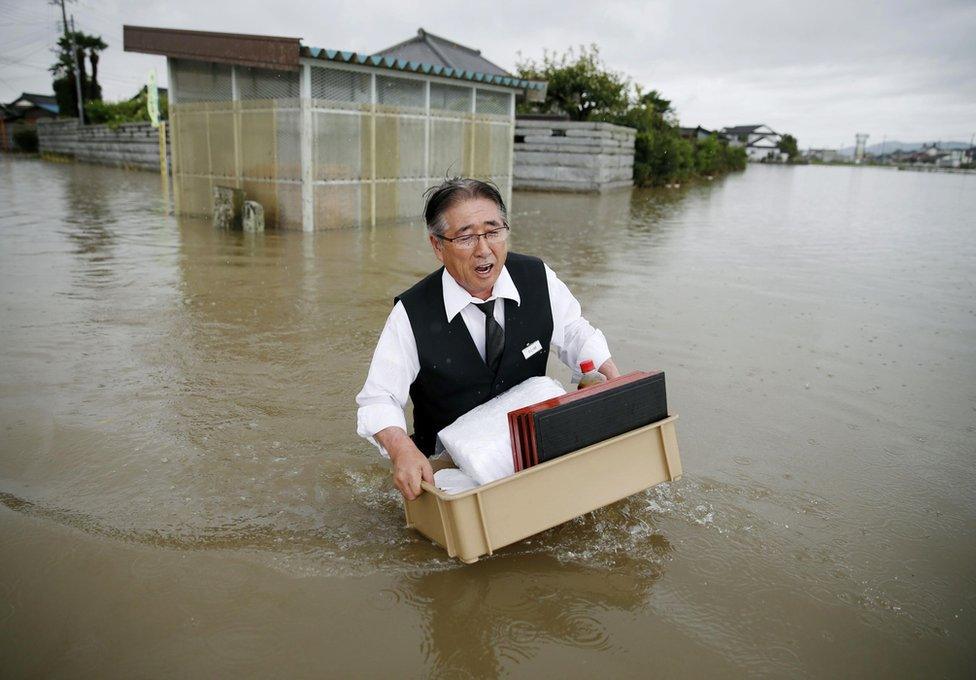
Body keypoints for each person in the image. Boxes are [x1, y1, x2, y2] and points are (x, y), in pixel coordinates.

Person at [356, 178, 620, 500]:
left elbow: (575, 331)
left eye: (493, 232)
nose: (483, 250)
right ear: (437, 246)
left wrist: (609, 376)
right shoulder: (411, 313)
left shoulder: (536, 278)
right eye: (465, 237)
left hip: (528, 450)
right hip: (449, 470)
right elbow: (379, 397)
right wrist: (401, 449)